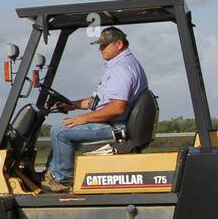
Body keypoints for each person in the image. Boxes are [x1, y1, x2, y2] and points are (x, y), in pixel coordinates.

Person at [42, 27, 149, 192]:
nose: (101, 49)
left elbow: (116, 107)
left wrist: (83, 118)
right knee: (63, 128)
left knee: (59, 132)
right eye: (100, 45)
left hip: (115, 126)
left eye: (105, 45)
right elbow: (100, 101)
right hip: (114, 122)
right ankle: (51, 174)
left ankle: (62, 181)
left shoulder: (121, 70)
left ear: (119, 44)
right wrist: (73, 105)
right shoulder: (123, 65)